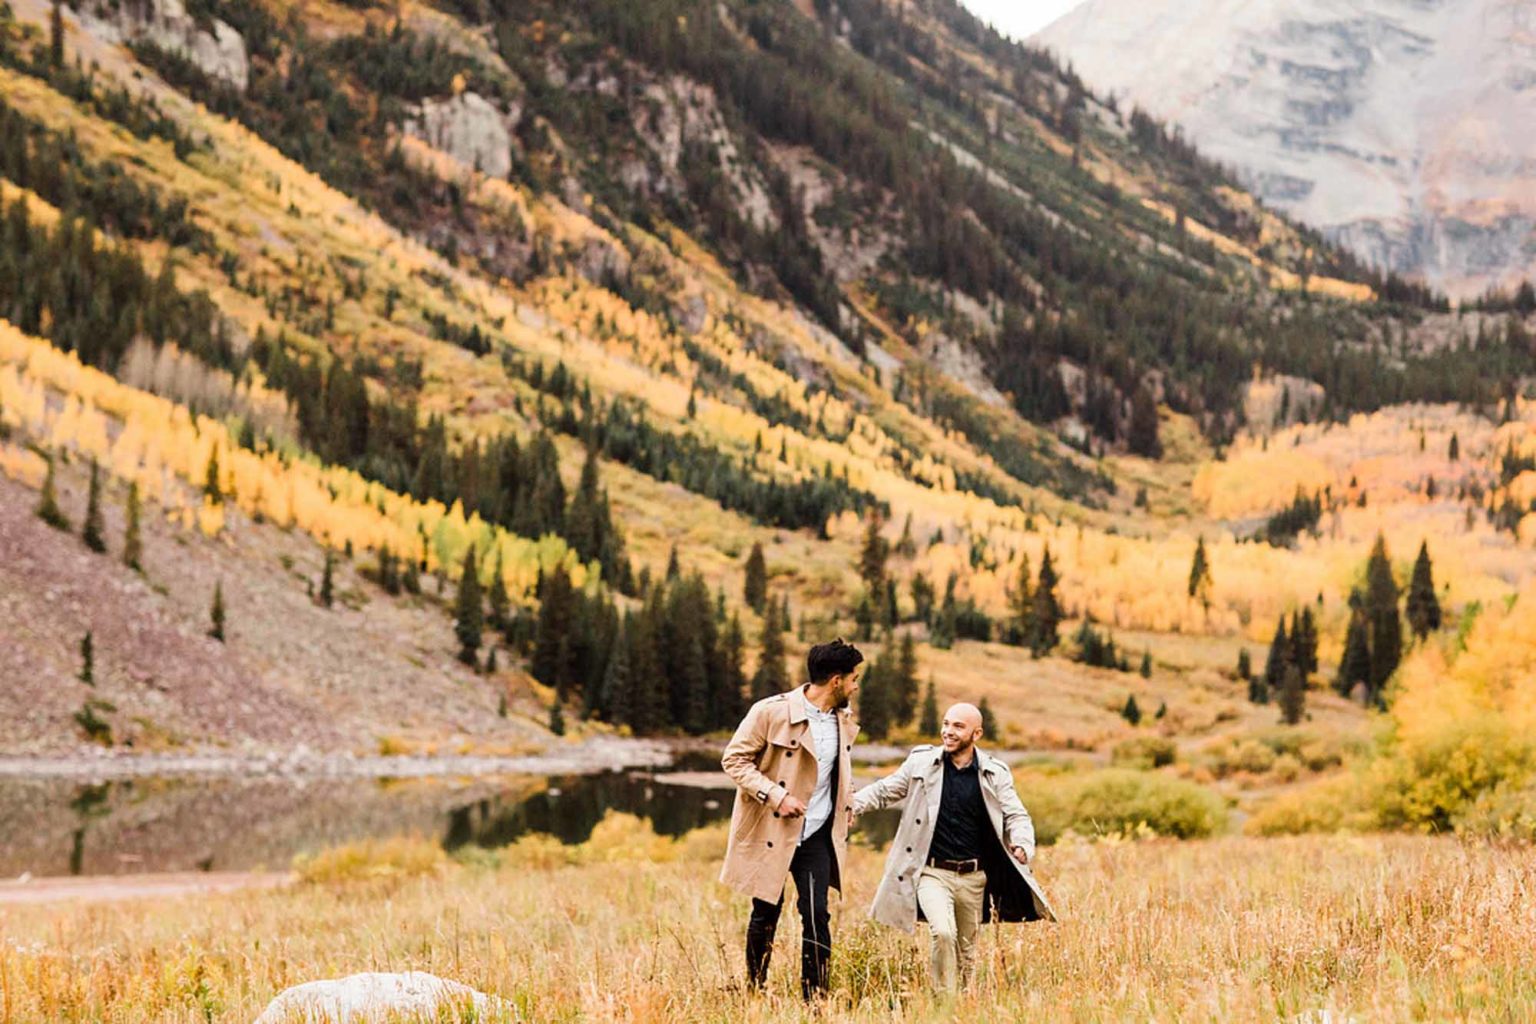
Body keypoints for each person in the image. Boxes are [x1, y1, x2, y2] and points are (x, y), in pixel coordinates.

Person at [852, 702, 1056, 992]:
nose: (948, 731)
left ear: (977, 733)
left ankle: (960, 1005)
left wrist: (1023, 843)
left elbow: (1016, 815)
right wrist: (851, 805)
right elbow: (886, 790)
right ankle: (941, 1002)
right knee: (943, 933)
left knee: (966, 953)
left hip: (975, 877)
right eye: (946, 724)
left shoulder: (994, 773)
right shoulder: (921, 762)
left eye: (958, 726)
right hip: (933, 872)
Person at [720, 638, 863, 999]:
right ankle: (754, 989)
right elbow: (734, 760)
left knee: (817, 915)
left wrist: (845, 805)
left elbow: (834, 771)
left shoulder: (841, 721)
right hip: (774, 828)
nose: (856, 686)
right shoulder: (770, 712)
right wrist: (775, 795)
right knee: (765, 911)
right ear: (835, 681)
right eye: (853, 678)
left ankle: (816, 999)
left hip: (816, 834)